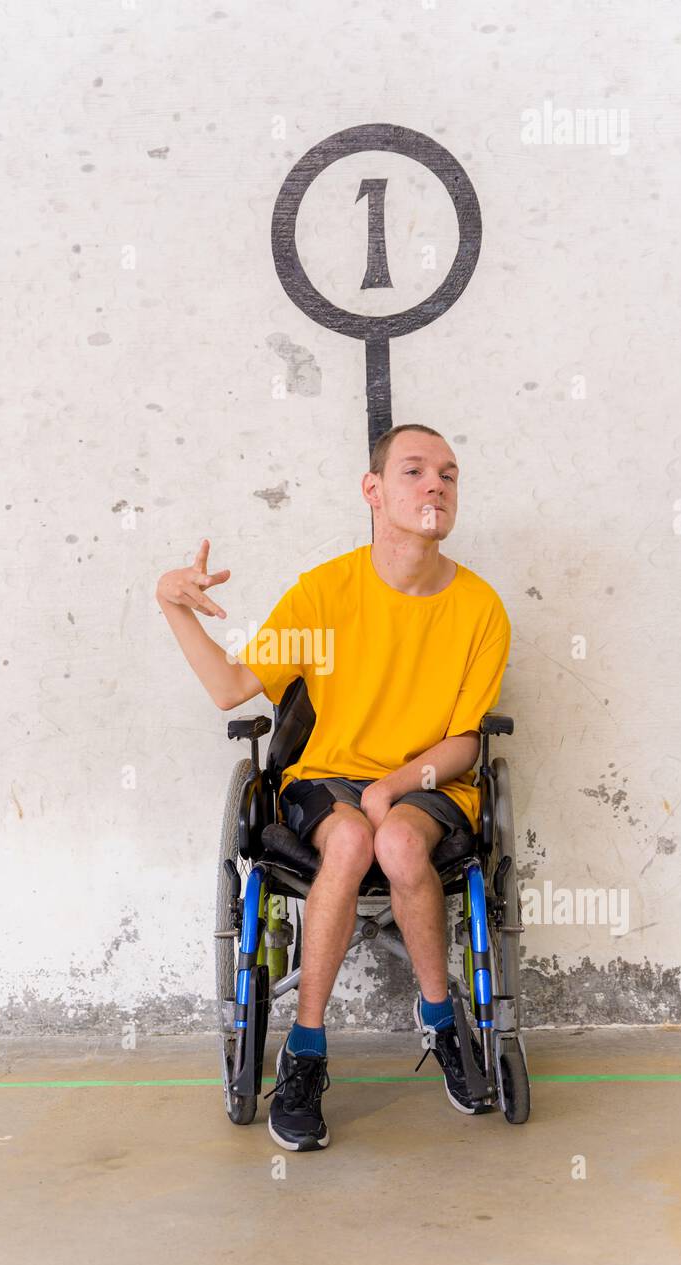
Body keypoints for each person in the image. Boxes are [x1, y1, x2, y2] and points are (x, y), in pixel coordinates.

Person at [155, 424, 511, 1152]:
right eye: (414, 471)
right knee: (351, 835)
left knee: (403, 843)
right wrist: (172, 605)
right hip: (328, 782)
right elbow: (230, 689)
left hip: (428, 781)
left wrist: (396, 785)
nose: (435, 485)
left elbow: (466, 740)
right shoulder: (327, 594)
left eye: (448, 473)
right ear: (373, 490)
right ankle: (305, 1051)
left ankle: (442, 1023)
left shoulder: (481, 608)